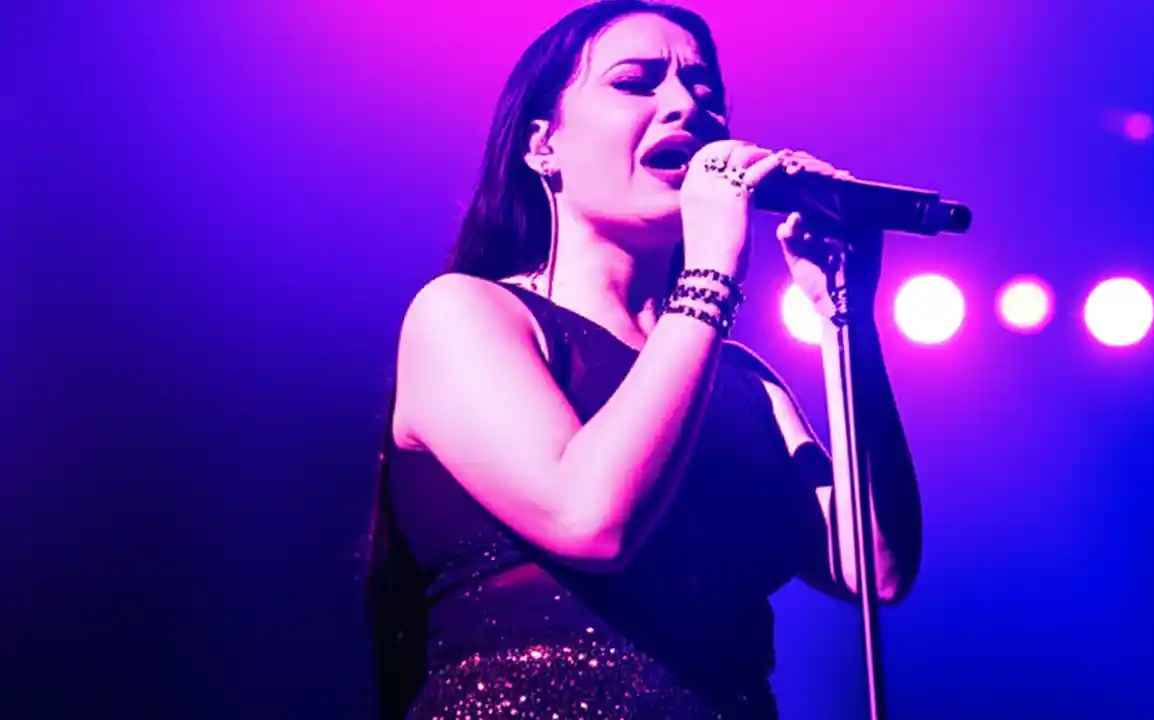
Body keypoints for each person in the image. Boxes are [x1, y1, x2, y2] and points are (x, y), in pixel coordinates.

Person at [364, 1, 922, 718]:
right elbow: (589, 518)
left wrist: (848, 317)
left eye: (705, 91)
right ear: (542, 145)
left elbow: (877, 567)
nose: (686, 106)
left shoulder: (744, 383)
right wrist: (714, 270)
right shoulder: (465, 314)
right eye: (636, 81)